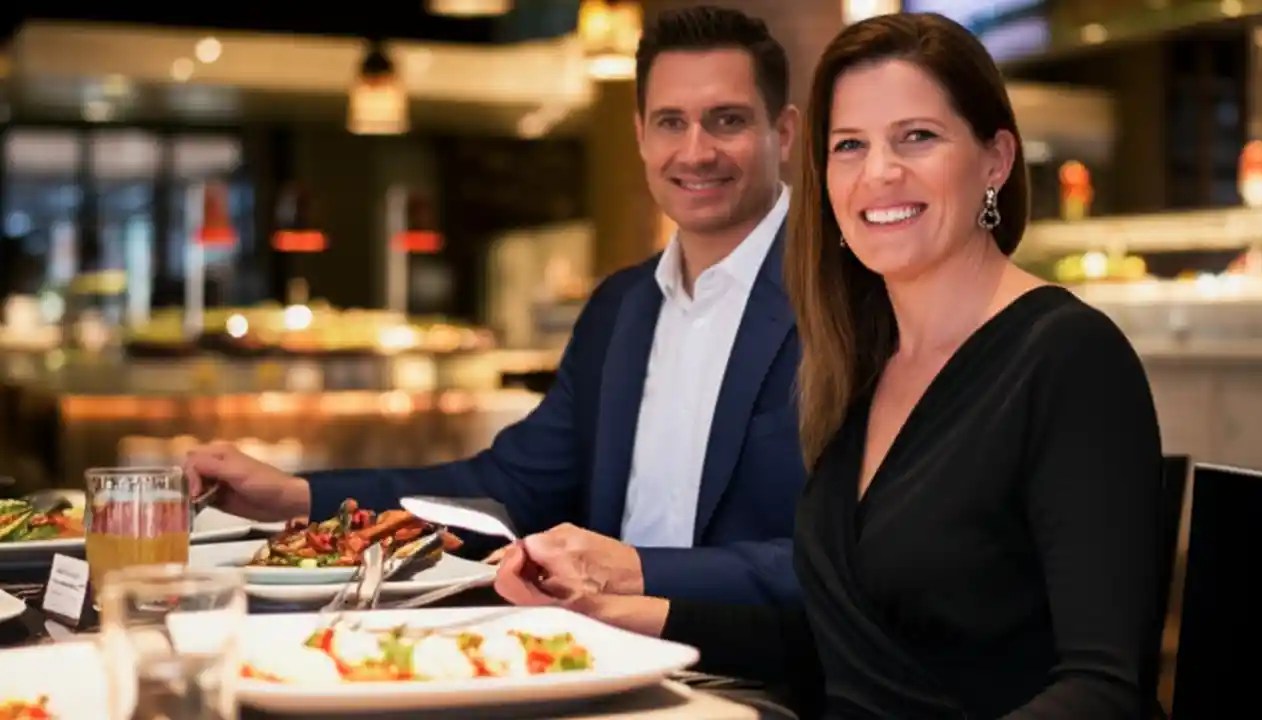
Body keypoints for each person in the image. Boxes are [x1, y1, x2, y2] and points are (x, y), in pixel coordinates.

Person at [493, 12, 1165, 720]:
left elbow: (1103, 691)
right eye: (850, 146)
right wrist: (614, 612)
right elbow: (838, 641)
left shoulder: (1070, 359)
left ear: (996, 159)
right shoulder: (865, 361)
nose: (879, 173)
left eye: (918, 137)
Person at [184, 5, 807, 606]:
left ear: (782, 133)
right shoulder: (622, 308)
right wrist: (293, 497)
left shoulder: (845, 299)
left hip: (767, 684)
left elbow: (850, 562)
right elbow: (506, 489)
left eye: (727, 121)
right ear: (641, 135)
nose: (696, 151)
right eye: (672, 121)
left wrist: (638, 573)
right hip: (605, 654)